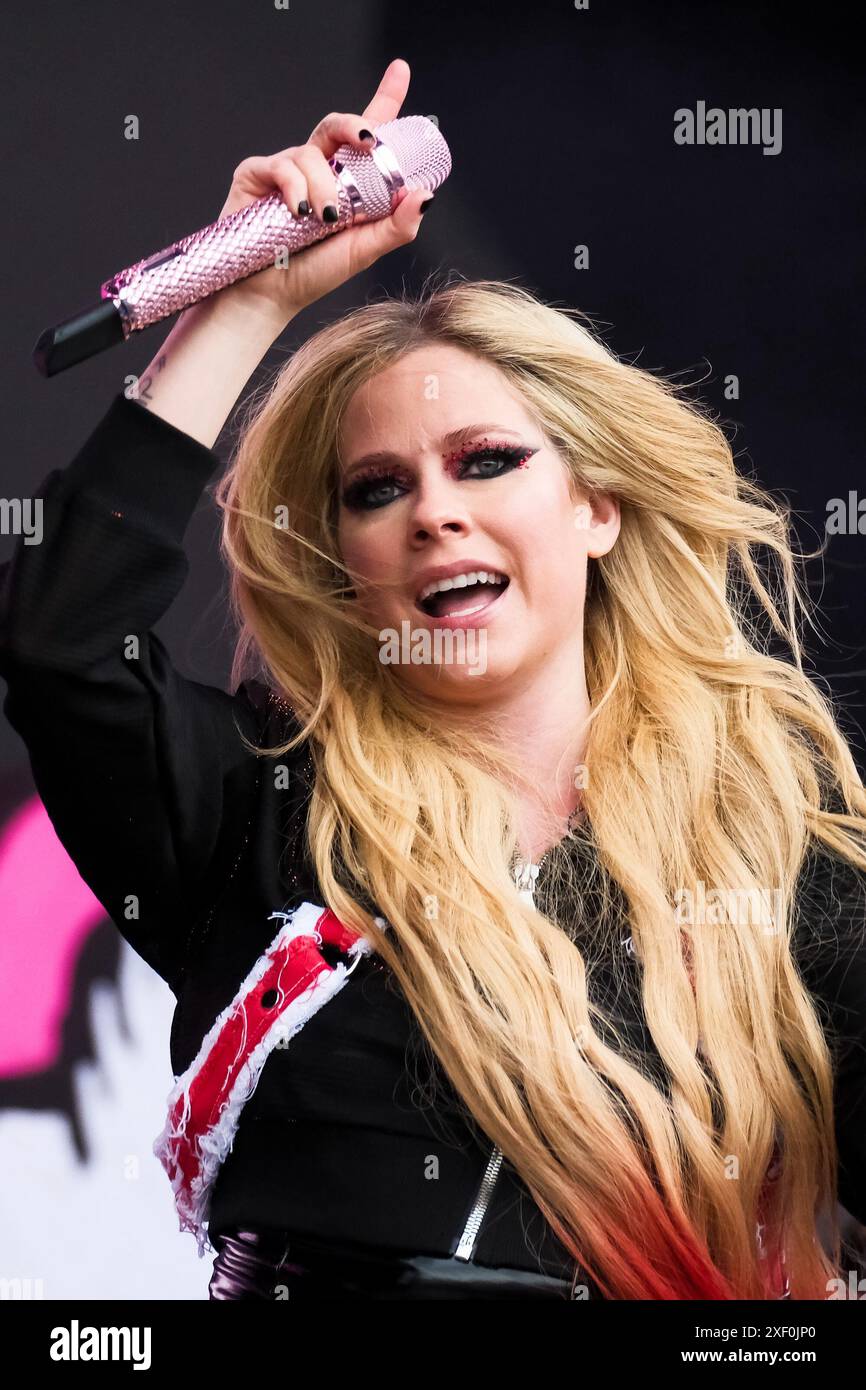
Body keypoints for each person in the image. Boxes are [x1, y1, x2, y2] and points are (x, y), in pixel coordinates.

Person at [2, 57, 865, 1301]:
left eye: (485, 461)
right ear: (345, 558)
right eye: (377, 489)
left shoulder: (783, 876)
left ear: (597, 507)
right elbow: (61, 637)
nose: (433, 515)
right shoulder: (257, 816)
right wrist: (242, 304)